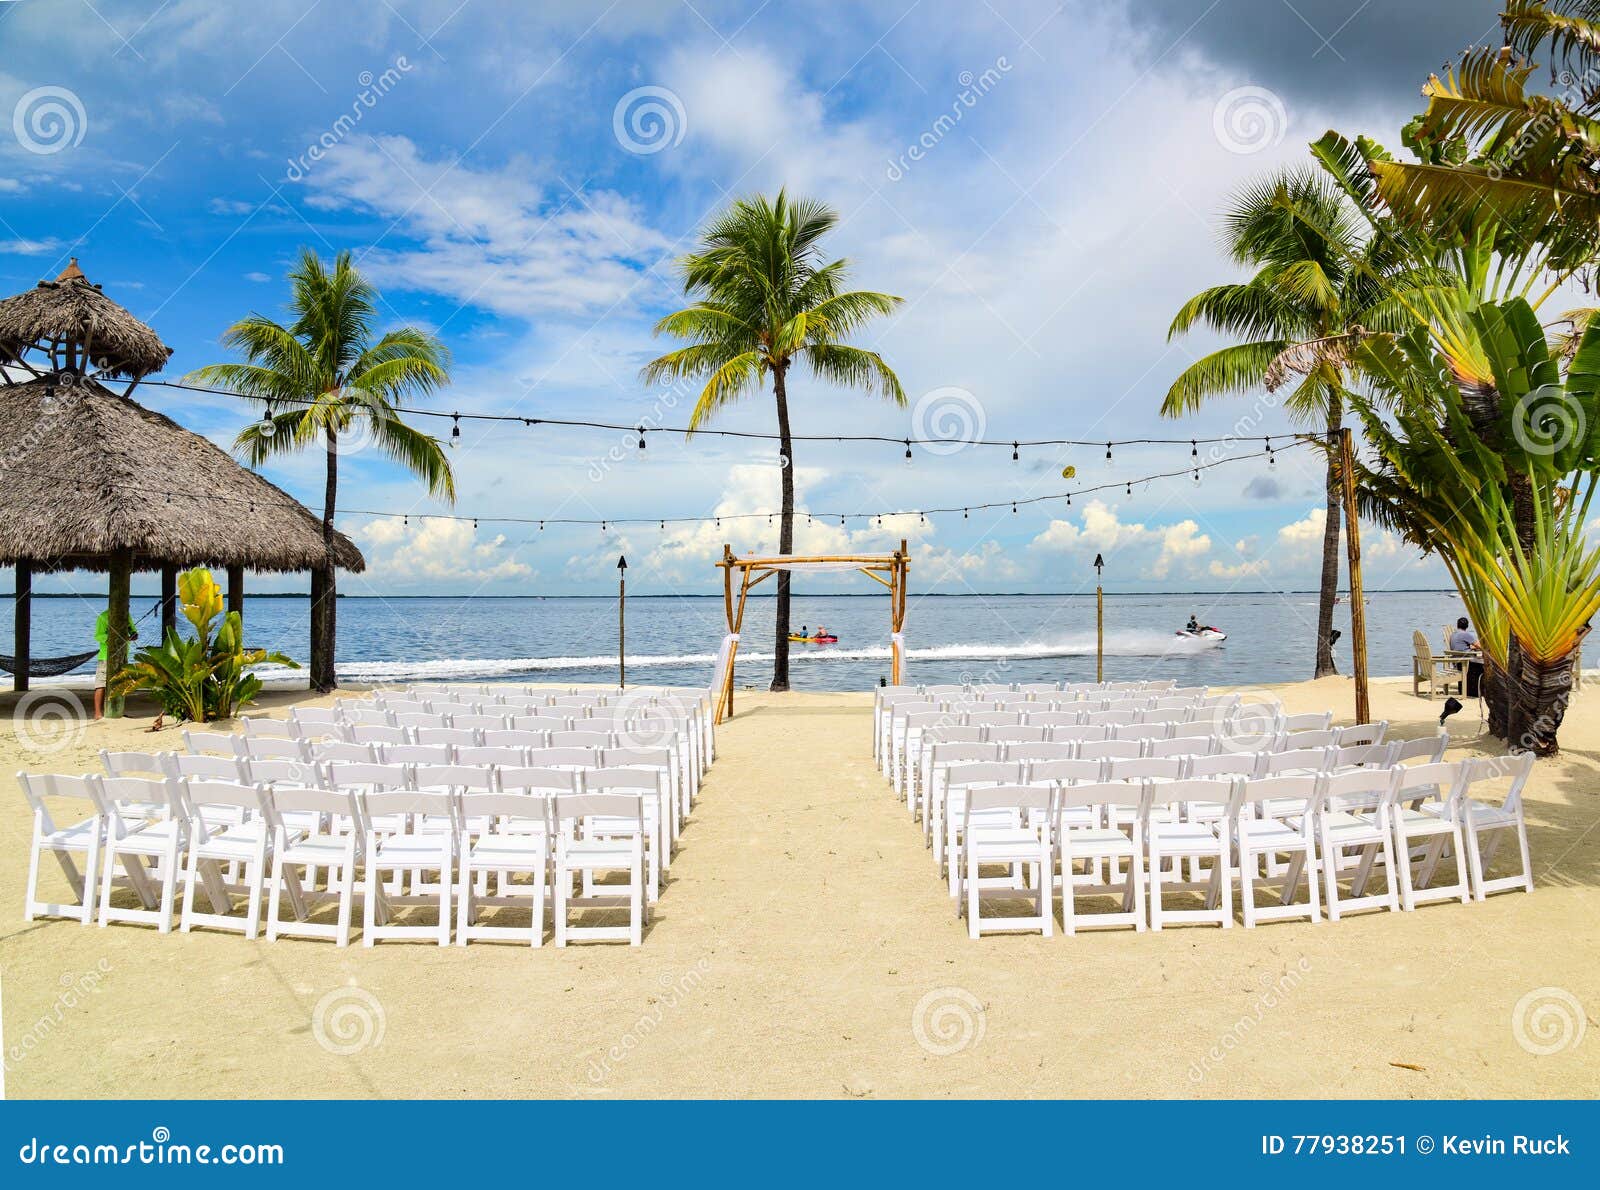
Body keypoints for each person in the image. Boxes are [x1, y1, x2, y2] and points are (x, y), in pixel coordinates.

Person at [92, 608, 136, 720]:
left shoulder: (127, 616)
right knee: (101, 684)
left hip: (123, 655)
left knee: (120, 683)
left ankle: (118, 711)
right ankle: (97, 713)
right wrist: (113, 638)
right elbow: (98, 635)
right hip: (106, 656)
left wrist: (133, 635)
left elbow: (133, 631)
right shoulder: (103, 616)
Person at [1448, 616, 1482, 698]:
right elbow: (1480, 646)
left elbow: (1460, 647)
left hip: (1457, 662)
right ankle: (1477, 691)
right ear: (1467, 626)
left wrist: (1470, 647)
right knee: (1482, 664)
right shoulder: (1465, 634)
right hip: (1465, 662)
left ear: (1457, 625)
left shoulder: (1453, 634)